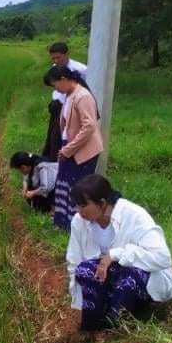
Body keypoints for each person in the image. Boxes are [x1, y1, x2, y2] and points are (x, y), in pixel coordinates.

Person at [66, 174, 172, 330]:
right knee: (83, 270)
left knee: (129, 277)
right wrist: (78, 301)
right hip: (110, 278)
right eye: (76, 205)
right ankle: (93, 328)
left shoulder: (134, 215)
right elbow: (74, 260)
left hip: (142, 281)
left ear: (102, 203)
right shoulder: (79, 221)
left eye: (83, 205)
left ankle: (117, 325)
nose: (78, 210)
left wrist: (116, 254)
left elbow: (162, 257)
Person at [46, 65, 103, 229]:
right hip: (69, 147)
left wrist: (68, 149)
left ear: (63, 79)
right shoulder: (70, 95)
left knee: (78, 187)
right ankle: (64, 221)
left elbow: (89, 127)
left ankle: (78, 225)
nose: (55, 88)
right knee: (64, 183)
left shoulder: (83, 96)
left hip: (82, 150)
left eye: (55, 84)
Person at [43, 42, 89, 160]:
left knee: (66, 135)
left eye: (58, 57)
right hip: (58, 106)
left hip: (72, 107)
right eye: (53, 58)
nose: (56, 61)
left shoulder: (81, 69)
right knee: (53, 137)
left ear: (67, 54)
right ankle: (53, 160)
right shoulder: (54, 68)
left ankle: (65, 156)